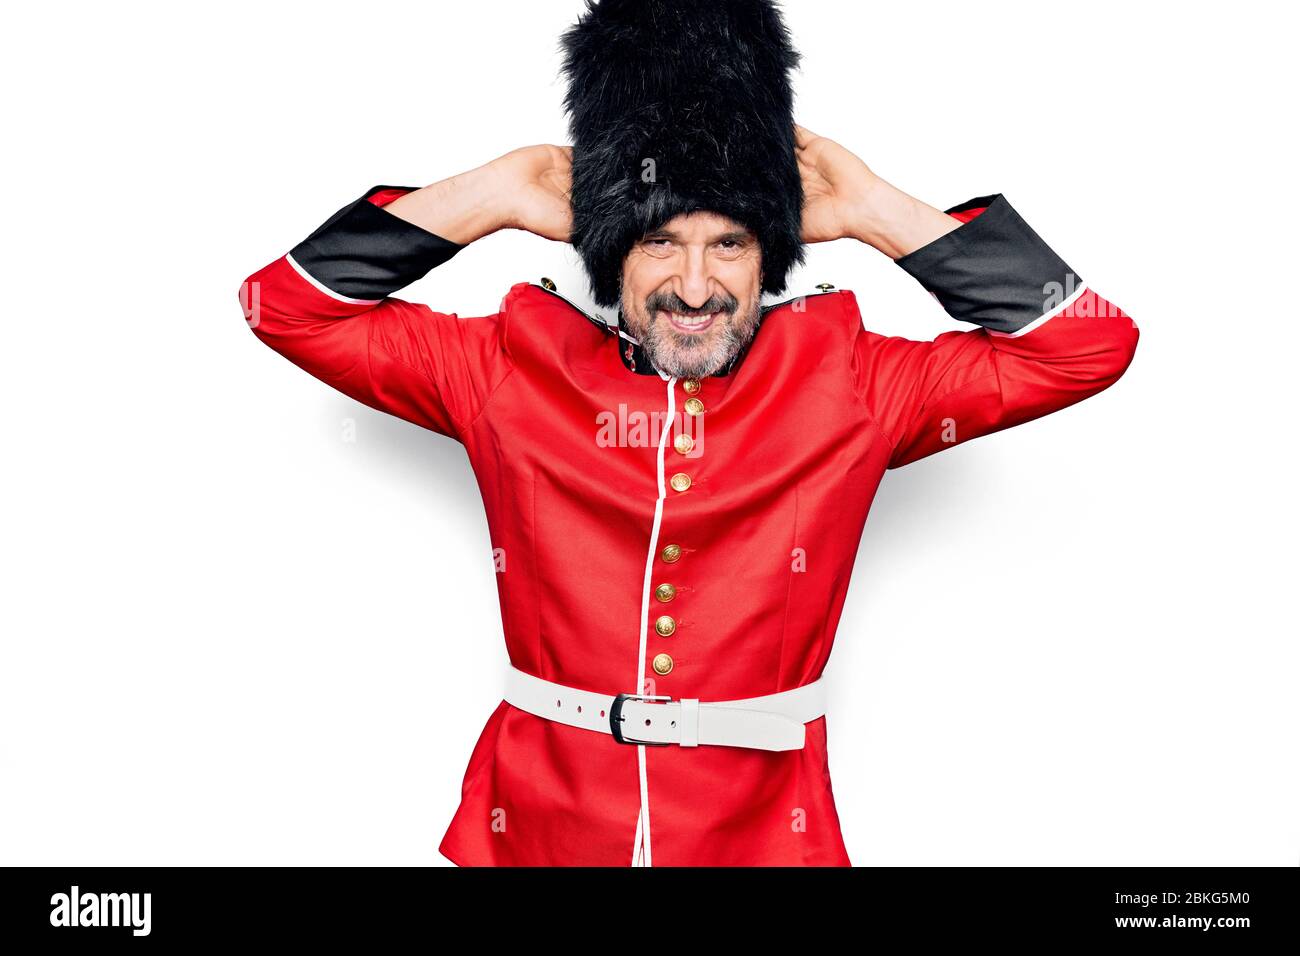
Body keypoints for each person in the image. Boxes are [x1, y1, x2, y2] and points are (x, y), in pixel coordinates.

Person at [237, 0, 1138, 866]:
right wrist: (492, 193)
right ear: (607, 249)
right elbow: (281, 308)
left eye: (734, 245)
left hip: (760, 842)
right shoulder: (510, 368)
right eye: (659, 242)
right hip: (537, 837)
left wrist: (878, 212)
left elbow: (1089, 345)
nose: (696, 288)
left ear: (772, 254)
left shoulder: (853, 379)